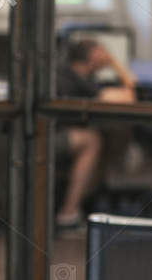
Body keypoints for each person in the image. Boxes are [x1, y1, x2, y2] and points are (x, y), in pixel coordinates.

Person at [55, 38, 138, 231]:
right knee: (93, 141)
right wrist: (115, 63)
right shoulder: (74, 77)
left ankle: (75, 206)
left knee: (110, 139)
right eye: (102, 51)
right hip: (50, 137)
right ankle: (68, 213)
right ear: (92, 55)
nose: (106, 54)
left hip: (59, 134)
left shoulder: (80, 76)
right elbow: (130, 94)